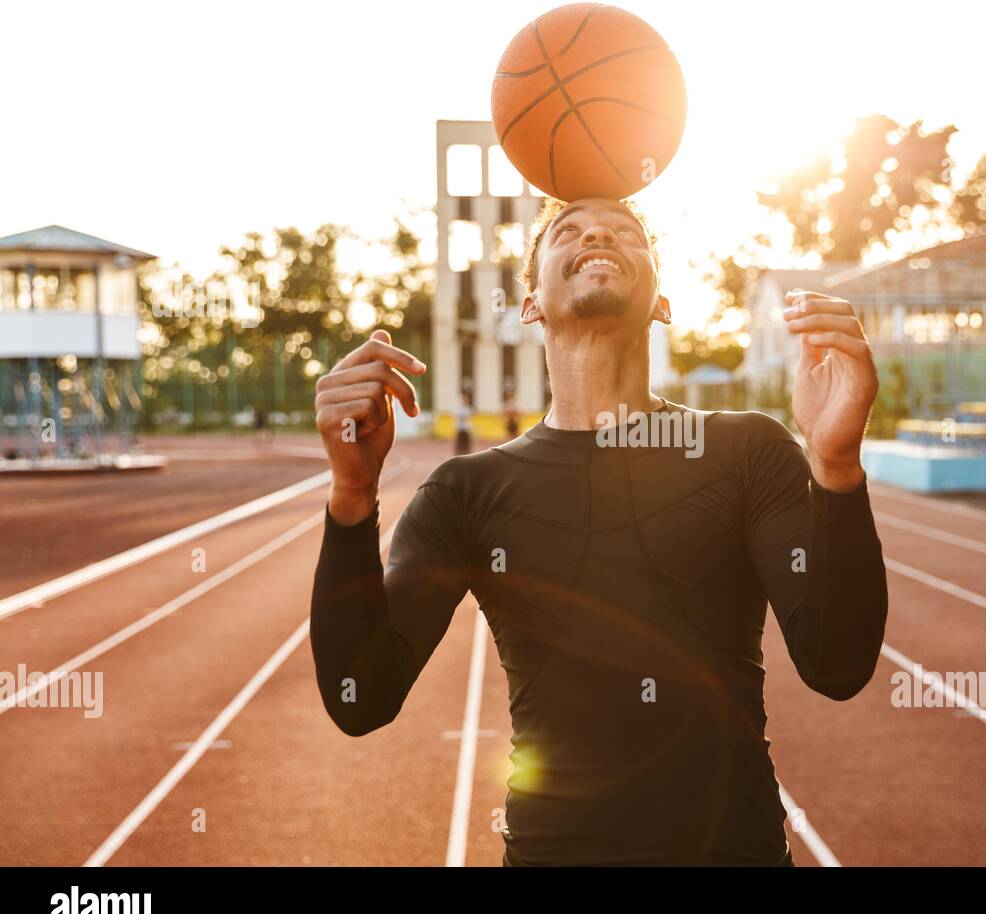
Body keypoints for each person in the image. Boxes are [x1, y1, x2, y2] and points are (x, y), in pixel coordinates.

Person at [309, 196, 888, 867]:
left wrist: (839, 467)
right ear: (530, 304)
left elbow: (839, 666)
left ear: (662, 303)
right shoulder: (463, 494)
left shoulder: (746, 451)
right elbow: (360, 698)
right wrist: (351, 495)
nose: (597, 235)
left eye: (624, 233)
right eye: (570, 231)